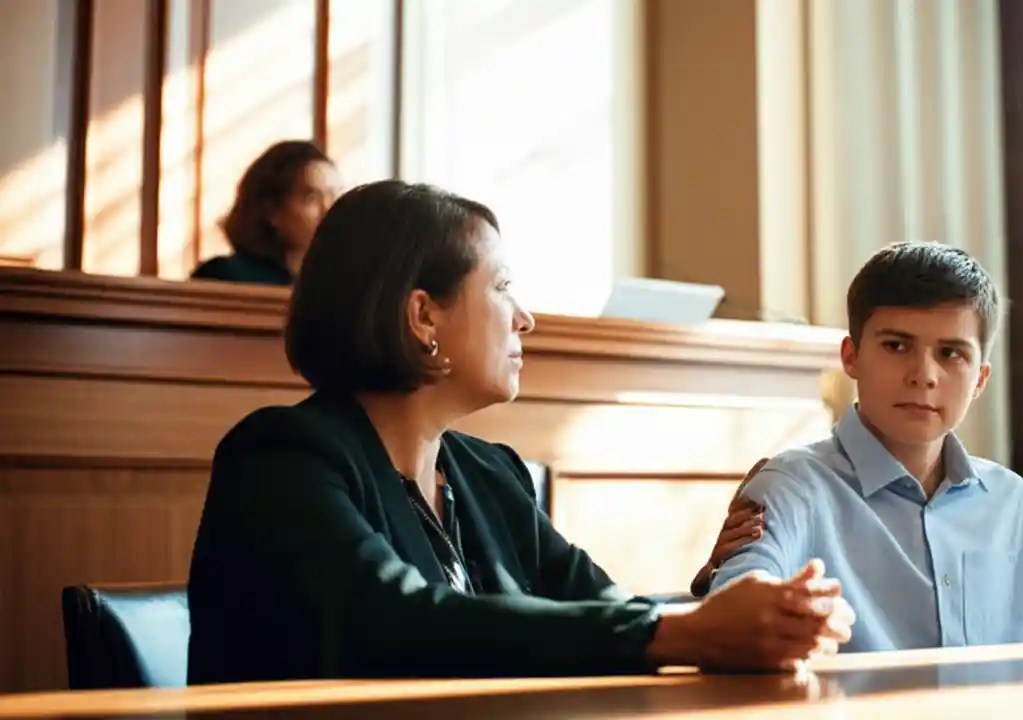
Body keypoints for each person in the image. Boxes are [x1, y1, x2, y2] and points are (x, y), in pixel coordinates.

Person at [187, 180, 855, 683]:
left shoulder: (488, 472)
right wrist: (684, 631)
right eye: (503, 287)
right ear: (423, 315)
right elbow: (396, 622)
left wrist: (717, 601)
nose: (525, 318)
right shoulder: (280, 457)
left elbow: (600, 607)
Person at [705, 242, 1023, 651]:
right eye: (896, 346)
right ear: (851, 356)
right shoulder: (792, 487)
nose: (923, 375)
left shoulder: (1012, 502)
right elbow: (735, 622)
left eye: (951, 353)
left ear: (980, 379)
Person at [191, 140, 339, 286]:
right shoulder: (224, 276)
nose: (329, 209)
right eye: (311, 198)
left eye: (335, 196)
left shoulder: (341, 282)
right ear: (272, 210)